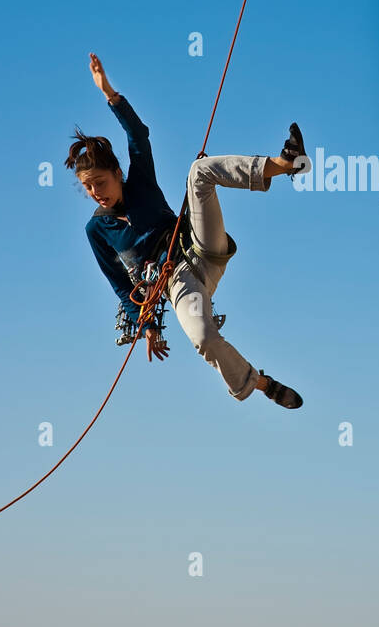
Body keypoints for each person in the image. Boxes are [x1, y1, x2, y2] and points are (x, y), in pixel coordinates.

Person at [64, 53, 304, 408]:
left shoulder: (140, 185)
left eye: (100, 181)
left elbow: (138, 135)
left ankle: (286, 164)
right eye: (88, 187)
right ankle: (261, 384)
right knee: (205, 338)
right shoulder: (96, 231)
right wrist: (146, 327)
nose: (96, 191)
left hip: (198, 246)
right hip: (177, 283)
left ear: (117, 173)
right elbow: (121, 286)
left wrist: (109, 93)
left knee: (199, 171)